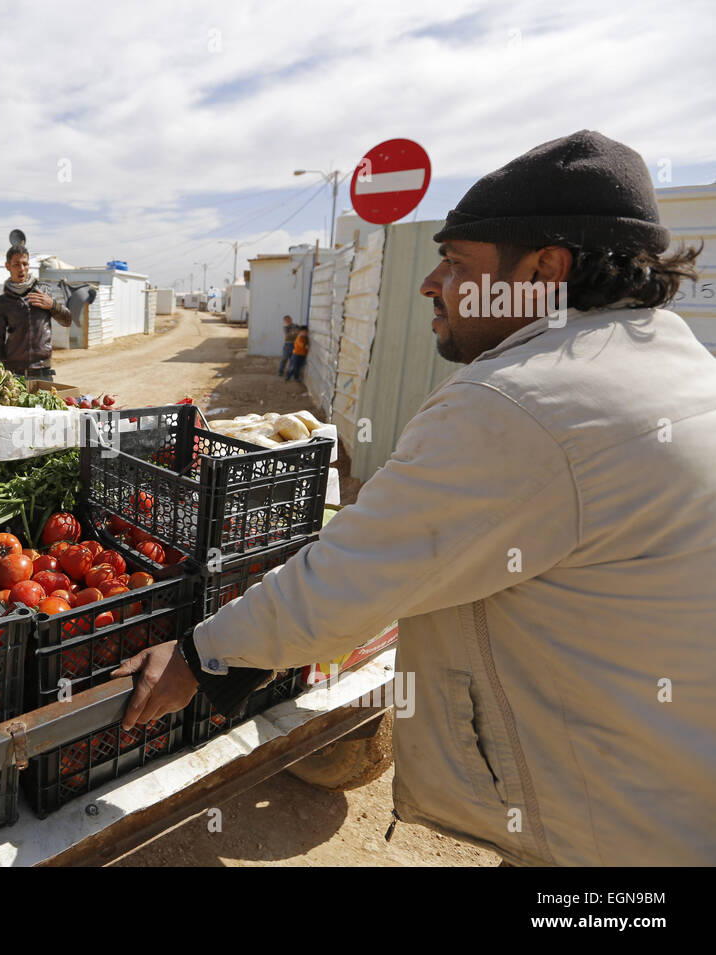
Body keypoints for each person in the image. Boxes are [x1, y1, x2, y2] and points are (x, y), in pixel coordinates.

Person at [113, 130, 716, 866]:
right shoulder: (675, 359)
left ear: (543, 269)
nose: (432, 284)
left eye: (457, 265)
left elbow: (347, 581)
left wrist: (202, 657)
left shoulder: (524, 403)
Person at [0, 244, 73, 381]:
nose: (21, 269)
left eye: (24, 264)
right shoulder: (2, 303)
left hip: (43, 372)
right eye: (16, 264)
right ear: (8, 266)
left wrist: (53, 305)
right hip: (14, 374)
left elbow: (67, 320)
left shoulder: (44, 291)